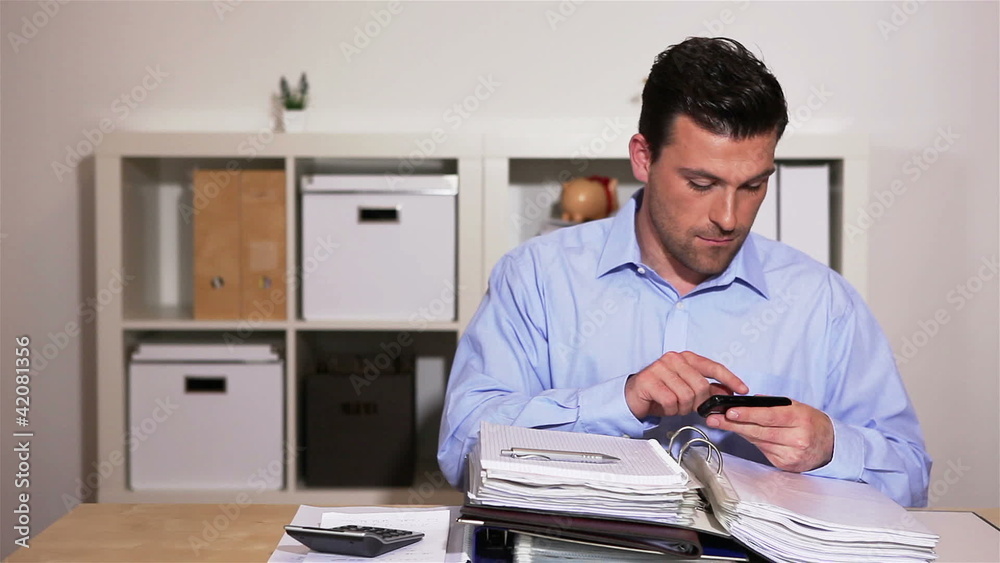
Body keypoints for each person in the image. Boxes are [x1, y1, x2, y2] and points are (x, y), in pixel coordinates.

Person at [437, 37, 931, 507]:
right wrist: (621, 401)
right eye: (701, 183)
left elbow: (912, 475)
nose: (730, 217)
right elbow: (463, 448)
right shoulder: (536, 278)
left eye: (754, 185)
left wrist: (831, 447)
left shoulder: (822, 301)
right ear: (643, 158)